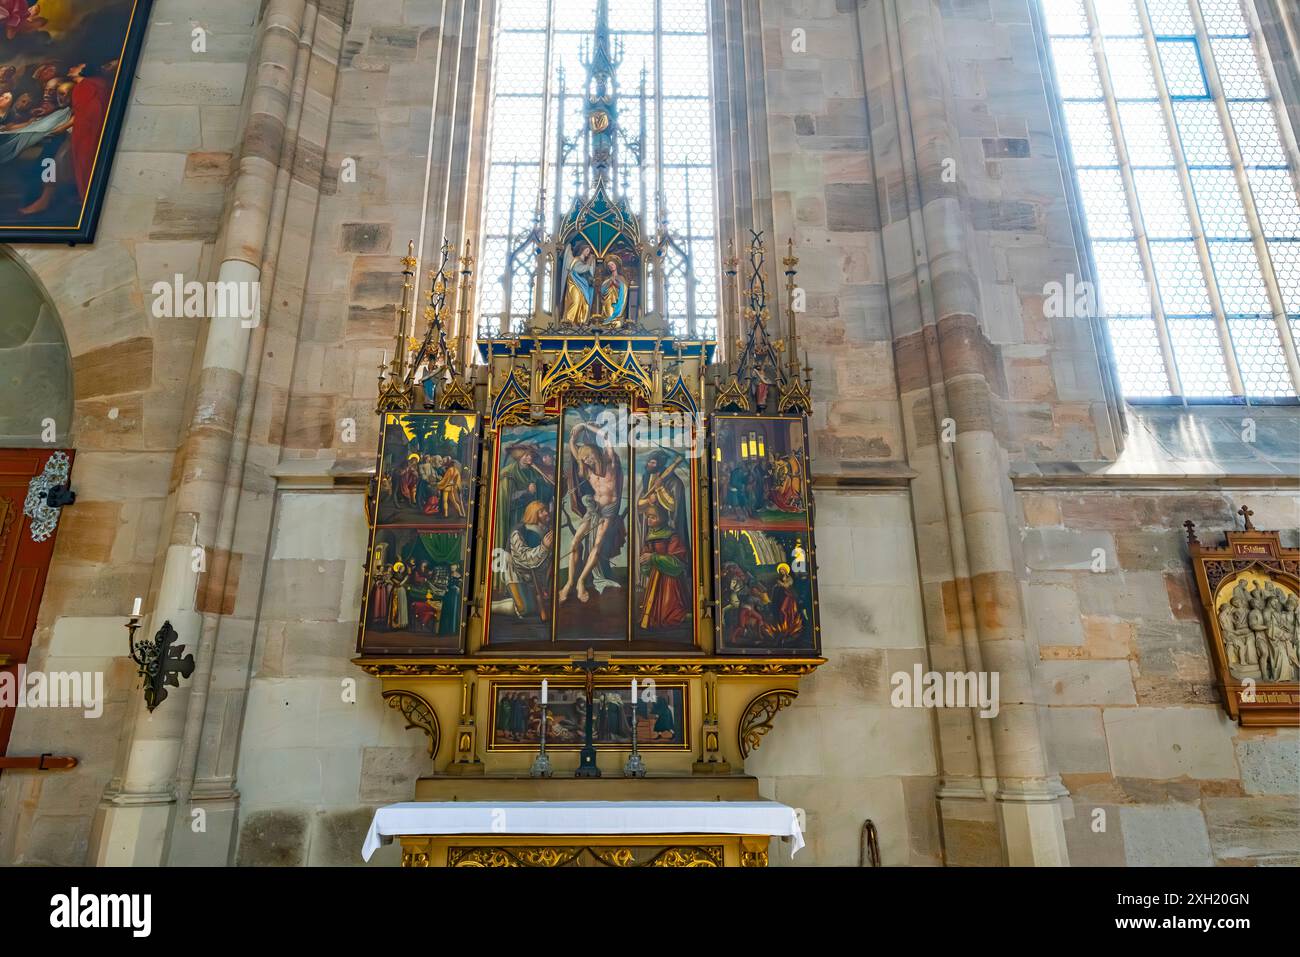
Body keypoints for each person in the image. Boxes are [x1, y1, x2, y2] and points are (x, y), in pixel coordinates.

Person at [558, 418, 625, 604]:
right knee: (574, 544)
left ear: (595, 452)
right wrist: (573, 439)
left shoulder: (610, 463)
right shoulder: (586, 471)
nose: (587, 460)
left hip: (608, 511)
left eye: (588, 456)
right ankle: (569, 582)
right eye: (583, 458)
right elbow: (572, 446)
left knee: (596, 545)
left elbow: (605, 436)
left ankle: (581, 581)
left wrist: (584, 426)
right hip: (593, 509)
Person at [637, 502, 690, 630]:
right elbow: (647, 554)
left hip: (670, 581)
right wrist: (645, 560)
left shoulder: (672, 536)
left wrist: (653, 557)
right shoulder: (650, 535)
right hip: (656, 577)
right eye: (648, 516)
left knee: (669, 613)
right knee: (654, 610)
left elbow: (677, 562)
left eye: (653, 517)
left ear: (662, 518)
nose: (649, 520)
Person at [499, 500, 554, 619]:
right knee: (525, 609)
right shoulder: (518, 532)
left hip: (534, 575)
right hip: (516, 572)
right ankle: (490, 607)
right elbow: (524, 558)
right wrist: (544, 547)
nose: (546, 513)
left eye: (545, 510)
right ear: (533, 515)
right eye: (541, 511)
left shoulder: (546, 530)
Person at [560, 242, 596, 325]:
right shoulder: (576, 259)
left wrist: (591, 280)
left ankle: (582, 322)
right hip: (575, 284)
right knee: (575, 302)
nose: (588, 253)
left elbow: (587, 275)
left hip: (583, 286)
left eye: (589, 251)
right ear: (582, 250)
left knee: (586, 303)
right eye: (587, 250)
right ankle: (568, 322)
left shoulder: (584, 262)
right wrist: (589, 262)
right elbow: (579, 270)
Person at [596, 257, 628, 325]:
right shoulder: (607, 278)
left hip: (617, 300)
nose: (611, 267)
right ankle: (608, 321)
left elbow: (624, 289)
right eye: (609, 266)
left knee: (616, 319)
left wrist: (615, 284)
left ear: (616, 265)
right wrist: (609, 284)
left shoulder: (621, 277)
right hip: (608, 300)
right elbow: (602, 291)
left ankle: (616, 319)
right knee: (609, 315)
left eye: (612, 264)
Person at [387, 561, 410, 630]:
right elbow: (398, 584)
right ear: (399, 568)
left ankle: (402, 623)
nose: (403, 569)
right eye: (401, 568)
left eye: (403, 568)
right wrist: (405, 580)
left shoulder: (403, 575)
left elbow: (403, 584)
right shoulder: (396, 575)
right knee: (397, 606)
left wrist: (405, 581)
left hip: (402, 591)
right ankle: (395, 624)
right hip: (396, 591)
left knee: (402, 605)